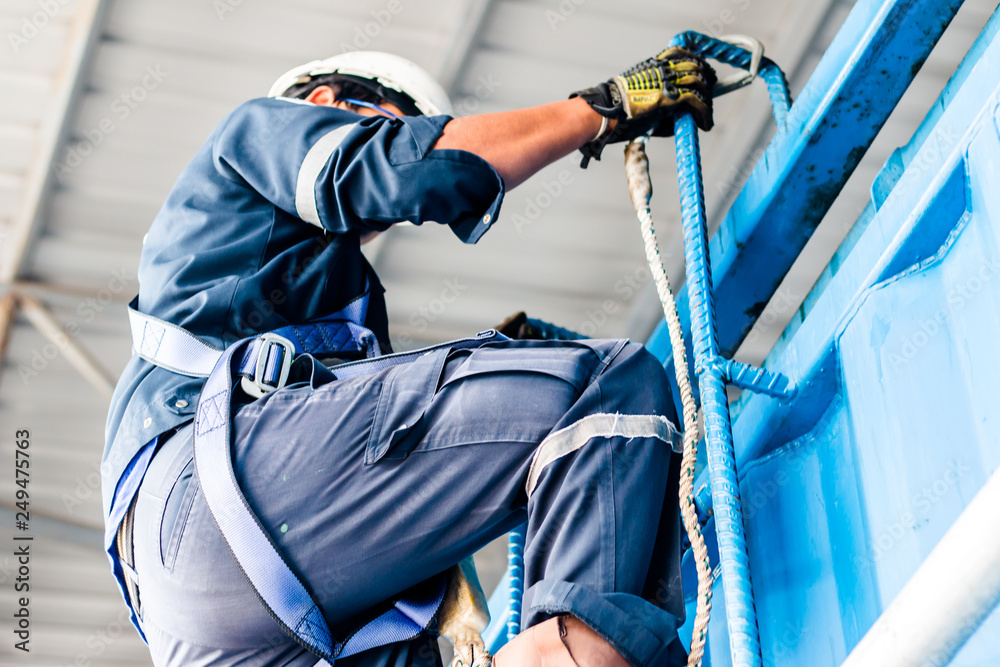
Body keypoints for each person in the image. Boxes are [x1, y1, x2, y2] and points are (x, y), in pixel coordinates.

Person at [102, 47, 716, 667]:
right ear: (326, 103)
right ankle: (567, 652)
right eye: (391, 123)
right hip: (214, 500)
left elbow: (402, 456)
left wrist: (508, 369)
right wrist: (598, 110)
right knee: (603, 390)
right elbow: (404, 168)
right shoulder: (257, 132)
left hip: (206, 616)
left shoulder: (320, 304)